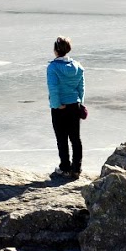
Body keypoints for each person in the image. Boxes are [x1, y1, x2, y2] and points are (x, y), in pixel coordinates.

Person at [46, 36, 86, 179]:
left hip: (60, 108)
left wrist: (57, 105)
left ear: (56, 50)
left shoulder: (53, 67)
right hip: (74, 105)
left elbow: (53, 88)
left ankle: (65, 168)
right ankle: (76, 169)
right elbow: (81, 88)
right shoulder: (78, 66)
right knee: (76, 139)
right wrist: (80, 102)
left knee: (61, 139)